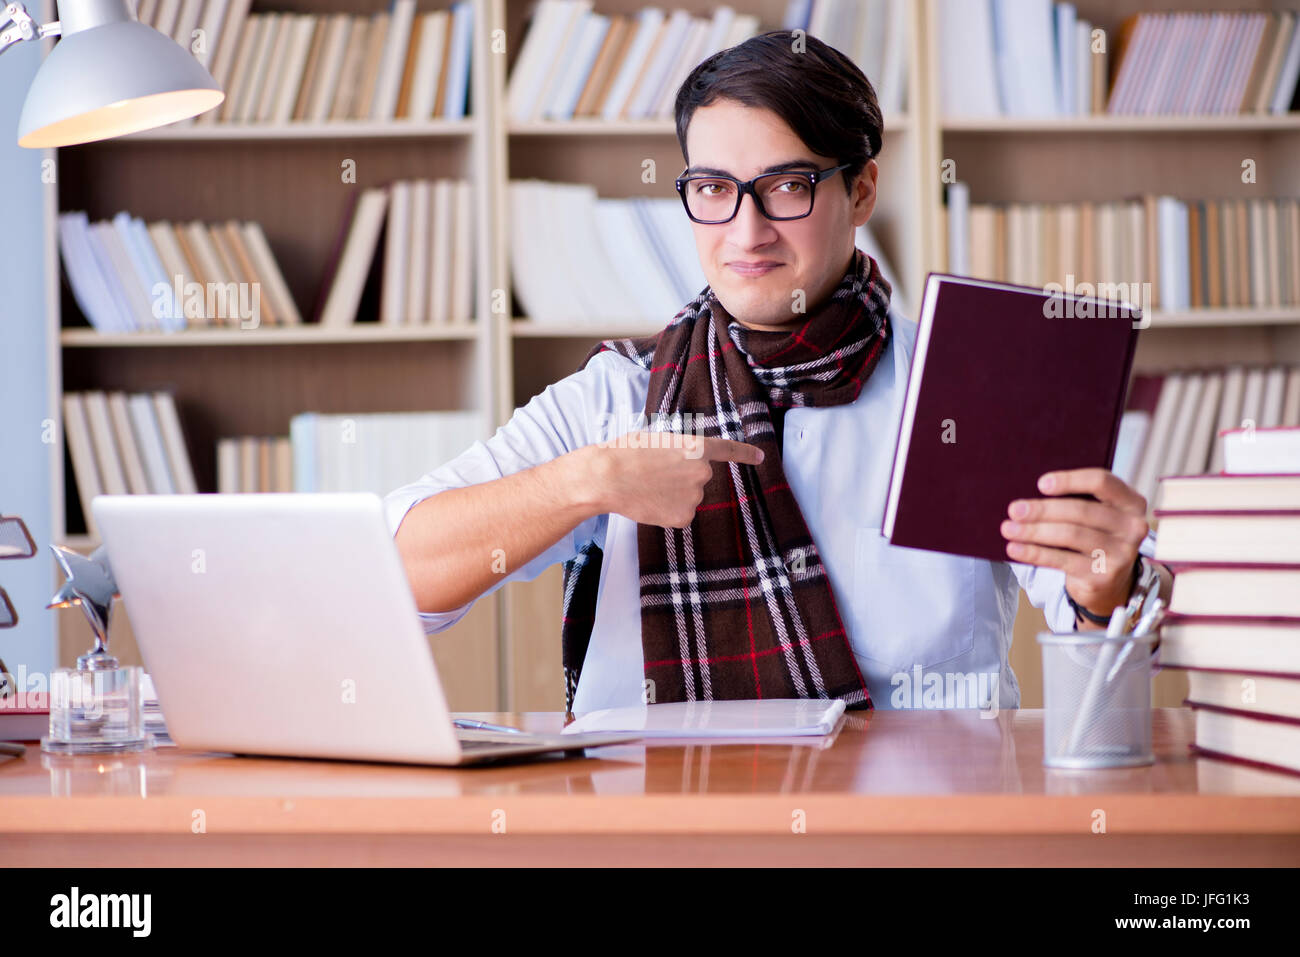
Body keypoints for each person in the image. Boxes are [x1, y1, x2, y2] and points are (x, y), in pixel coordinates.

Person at [385, 30, 1172, 713]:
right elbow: (391, 577)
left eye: (787, 187)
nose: (745, 230)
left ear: (861, 189)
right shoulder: (616, 396)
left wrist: (1106, 585)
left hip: (912, 822)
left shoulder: (966, 382)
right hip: (656, 823)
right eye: (713, 191)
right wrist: (581, 483)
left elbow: (1102, 643)